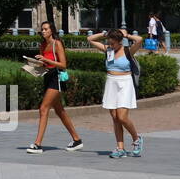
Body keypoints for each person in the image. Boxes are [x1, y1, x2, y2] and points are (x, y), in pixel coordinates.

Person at [26, 21, 83, 154]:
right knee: (59, 111)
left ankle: (38, 144)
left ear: (52, 30)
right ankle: (77, 140)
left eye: (46, 29)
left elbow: (63, 64)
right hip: (48, 76)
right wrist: (31, 67)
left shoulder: (57, 44)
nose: (43, 31)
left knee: (43, 108)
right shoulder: (43, 45)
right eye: (42, 29)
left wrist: (47, 61)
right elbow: (43, 65)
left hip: (56, 77)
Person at [87, 28, 143, 158]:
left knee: (122, 117)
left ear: (120, 41)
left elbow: (139, 40)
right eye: (109, 43)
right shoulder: (108, 50)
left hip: (125, 82)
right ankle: (120, 148)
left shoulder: (128, 50)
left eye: (113, 43)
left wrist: (127, 35)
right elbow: (89, 39)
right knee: (115, 118)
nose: (110, 46)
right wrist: (105, 34)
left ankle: (136, 138)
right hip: (111, 82)